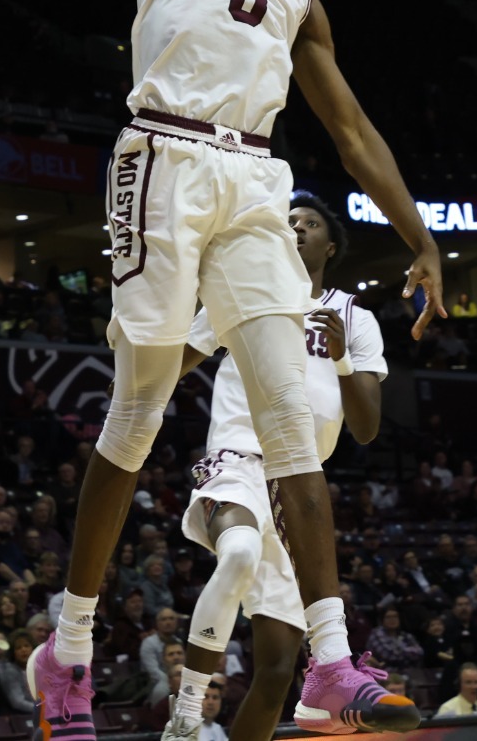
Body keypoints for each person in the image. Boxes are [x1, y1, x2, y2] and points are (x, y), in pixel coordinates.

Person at [26, 0, 444, 741]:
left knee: (290, 431)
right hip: (161, 155)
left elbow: (347, 124)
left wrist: (419, 236)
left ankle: (332, 660)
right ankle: (65, 646)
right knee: (140, 406)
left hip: (256, 174)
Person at [162, 192, 393, 741]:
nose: (296, 227)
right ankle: (186, 717)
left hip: (300, 483)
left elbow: (365, 427)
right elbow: (178, 361)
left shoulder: (356, 315)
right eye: (287, 221)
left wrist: (339, 356)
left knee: (277, 666)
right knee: (238, 550)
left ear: (329, 245)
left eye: (310, 222)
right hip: (238, 456)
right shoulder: (242, 288)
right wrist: (131, 388)